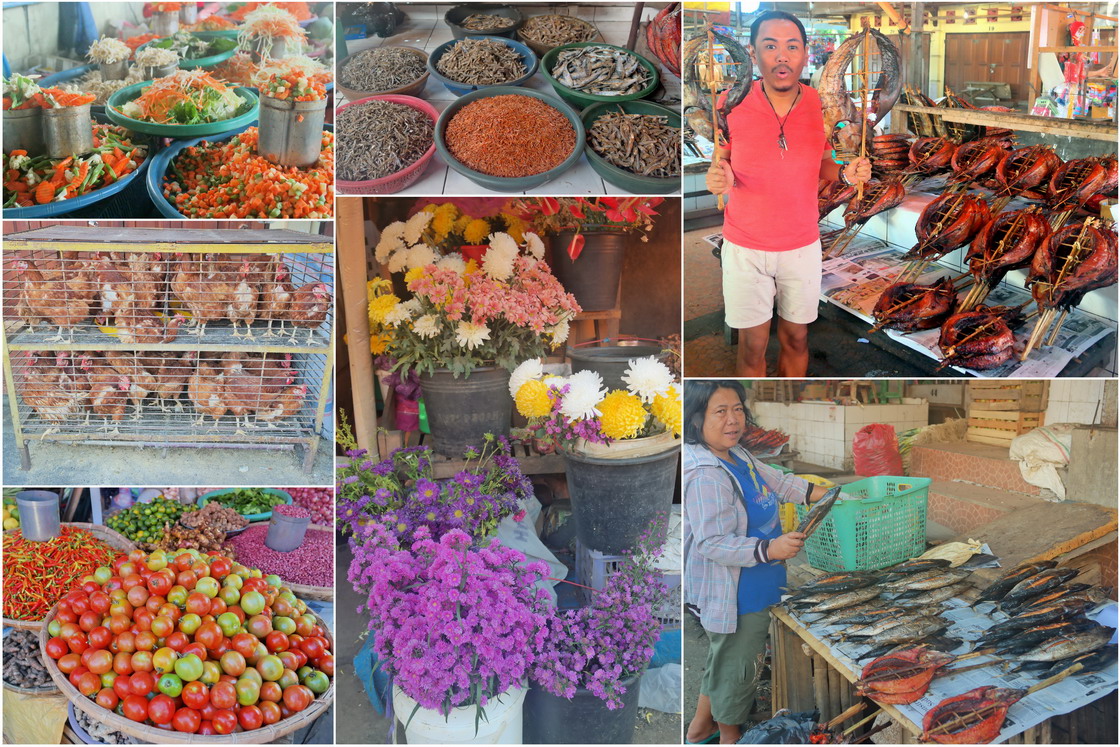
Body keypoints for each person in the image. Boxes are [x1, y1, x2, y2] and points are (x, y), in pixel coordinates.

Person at [706, 10, 872, 377]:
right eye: (770, 46)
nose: (782, 56)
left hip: (800, 246)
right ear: (753, 53)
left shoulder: (824, 107)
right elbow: (722, 163)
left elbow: (826, 165)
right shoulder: (728, 103)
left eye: (791, 46)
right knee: (752, 346)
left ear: (805, 53)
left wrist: (847, 172)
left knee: (797, 339)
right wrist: (718, 178)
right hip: (745, 247)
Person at [683, 380, 841, 744]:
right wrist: (769, 550)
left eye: (737, 408)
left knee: (724, 662)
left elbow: (779, 482)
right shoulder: (706, 474)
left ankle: (699, 729)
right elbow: (711, 542)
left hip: (759, 581)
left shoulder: (736, 453)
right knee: (739, 669)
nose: (733, 419)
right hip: (737, 593)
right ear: (696, 420)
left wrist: (832, 497)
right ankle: (729, 735)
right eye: (720, 411)